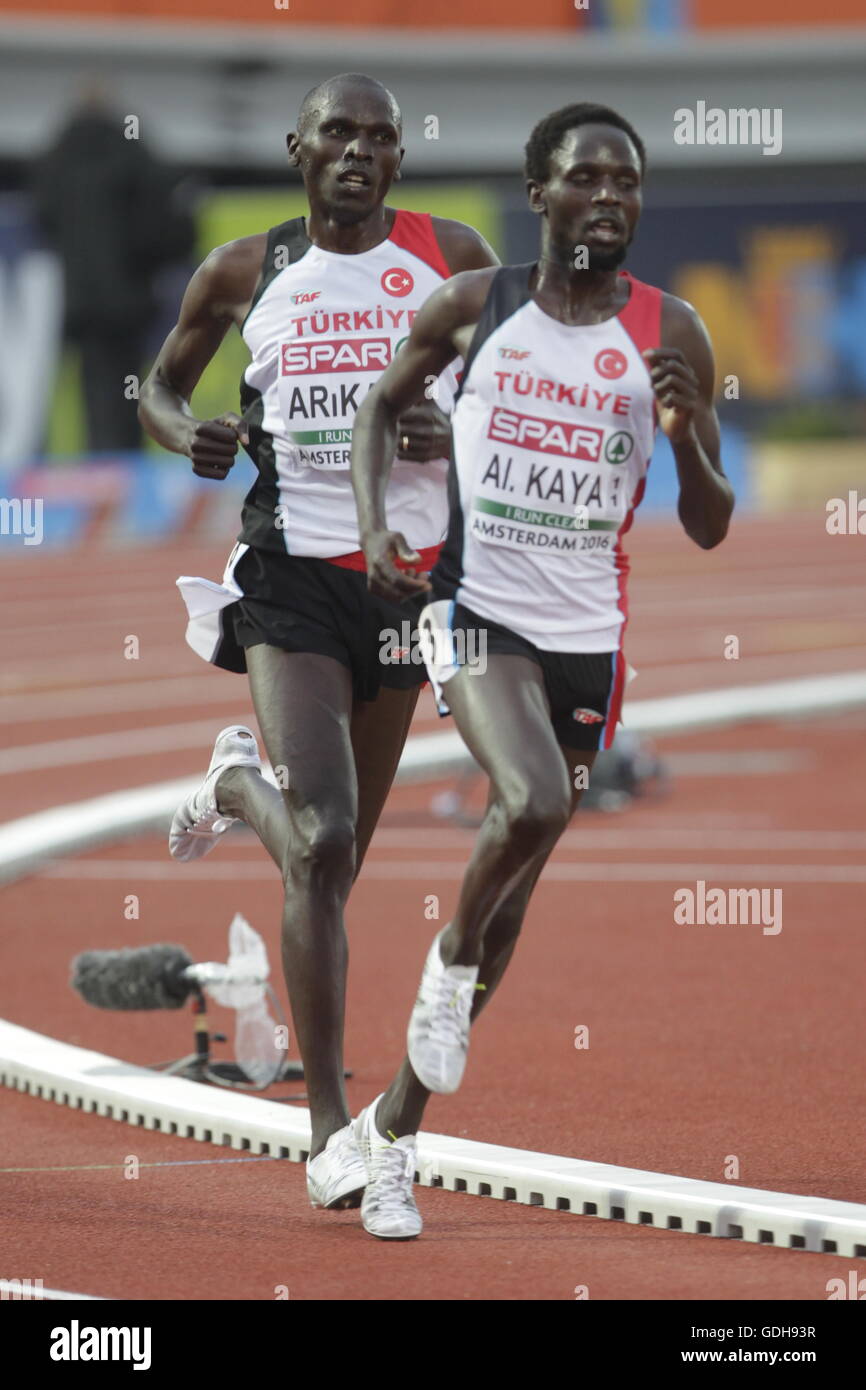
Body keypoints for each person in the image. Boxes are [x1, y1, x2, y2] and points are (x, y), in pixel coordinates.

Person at [351, 102, 734, 1239]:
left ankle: (392, 1134)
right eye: (586, 177)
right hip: (473, 610)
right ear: (539, 192)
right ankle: (445, 959)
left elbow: (710, 525)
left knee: (518, 870)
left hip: (587, 636)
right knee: (521, 802)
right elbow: (382, 405)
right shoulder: (480, 307)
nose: (608, 197)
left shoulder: (675, 329)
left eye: (626, 181)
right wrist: (377, 524)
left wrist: (687, 436)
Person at [137, 73, 498, 1228]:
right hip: (289, 577)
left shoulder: (452, 251)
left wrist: (460, 428)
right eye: (338, 132)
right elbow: (158, 382)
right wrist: (187, 432)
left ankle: (236, 781)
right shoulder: (246, 269)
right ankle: (328, 1132)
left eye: (380, 137)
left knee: (332, 868)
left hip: (400, 587)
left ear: (398, 160)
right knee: (326, 837)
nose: (358, 151)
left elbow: (512, 387)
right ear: (297, 147)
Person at [32, 81, 195, 452]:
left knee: (91, 385)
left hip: (78, 299)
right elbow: (166, 220)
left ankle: (100, 461)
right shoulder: (133, 152)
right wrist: (147, 262)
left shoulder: (58, 156)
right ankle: (123, 466)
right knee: (130, 385)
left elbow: (42, 216)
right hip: (128, 296)